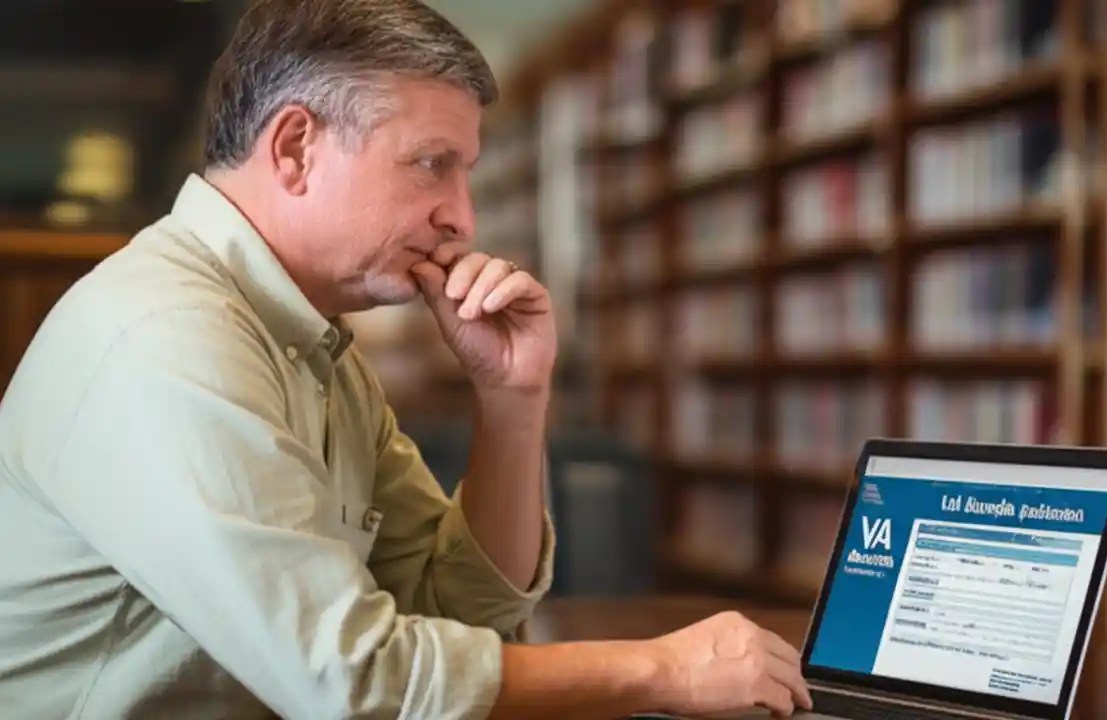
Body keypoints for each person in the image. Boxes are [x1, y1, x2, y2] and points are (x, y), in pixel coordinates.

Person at [0, 1, 812, 718]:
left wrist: (512, 394)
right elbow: (351, 685)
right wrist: (663, 670)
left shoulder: (310, 341)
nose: (461, 217)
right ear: (294, 148)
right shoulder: (167, 334)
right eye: (432, 164)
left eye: (466, 174)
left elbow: (459, 615)